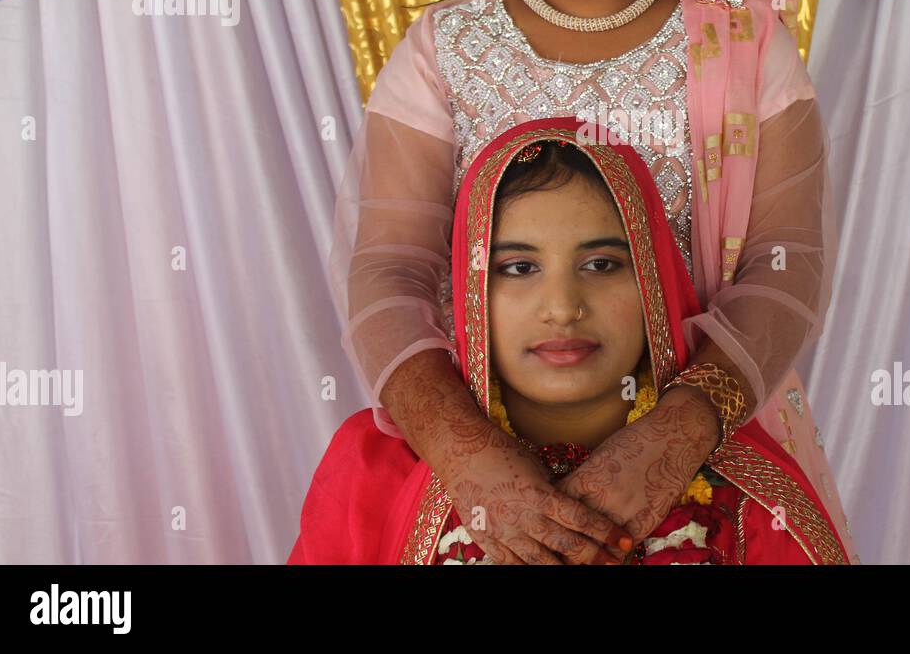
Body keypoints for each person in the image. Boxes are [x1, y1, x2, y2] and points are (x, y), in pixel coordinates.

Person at [331, 0, 855, 564]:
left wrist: (674, 437)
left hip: (704, 467)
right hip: (482, 482)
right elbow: (390, 269)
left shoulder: (742, 41)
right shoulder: (446, 49)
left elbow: (785, 264)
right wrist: (472, 461)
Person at [293, 118, 854, 564]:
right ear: (467, 291)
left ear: (656, 283)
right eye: (516, 268)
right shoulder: (373, 470)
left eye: (603, 263)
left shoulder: (750, 493)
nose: (563, 306)